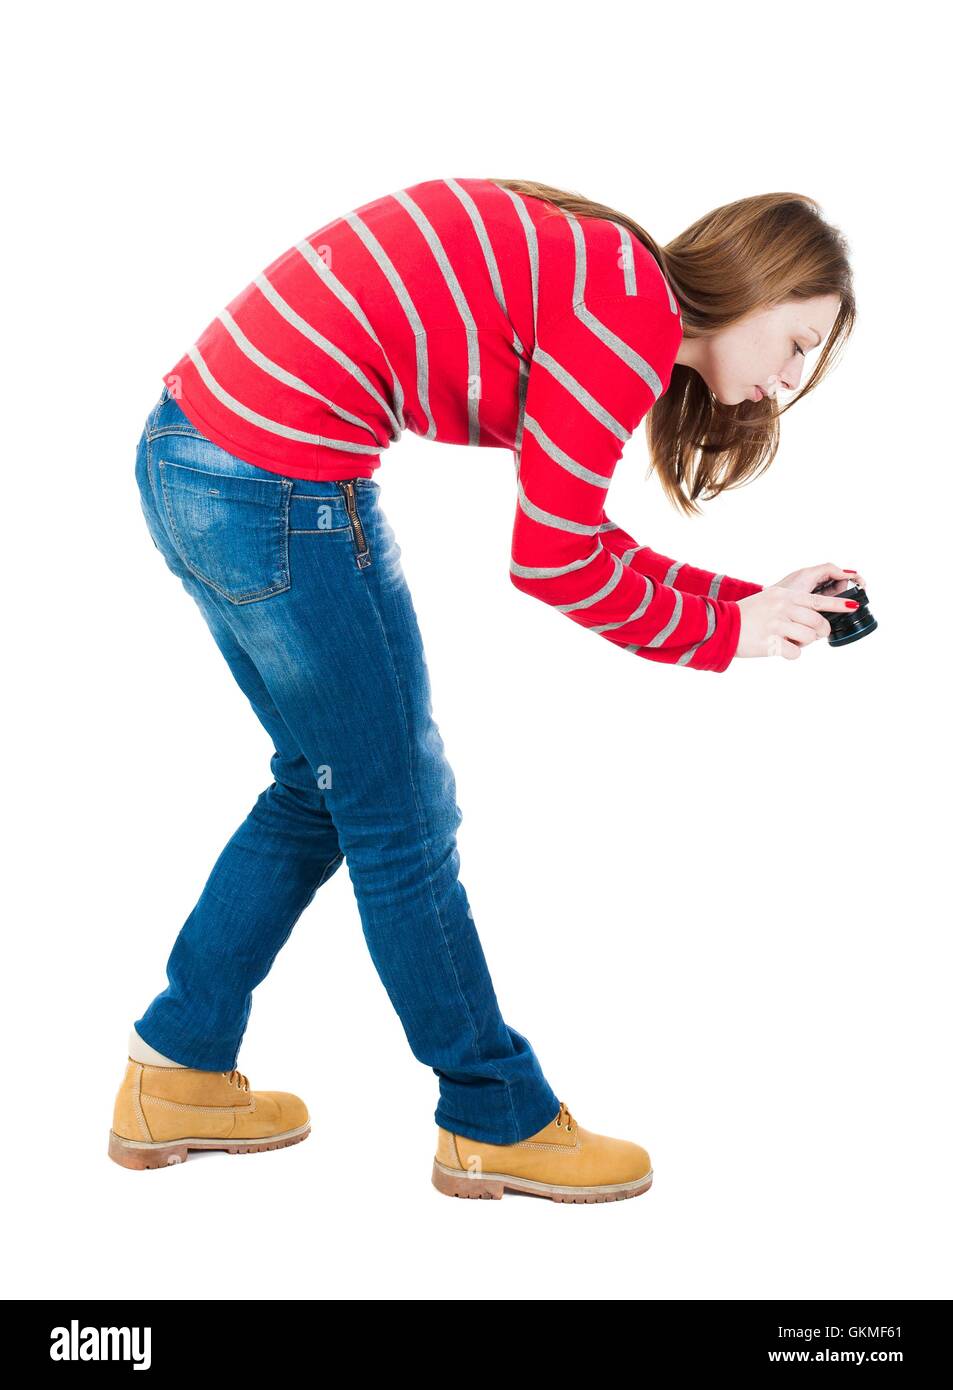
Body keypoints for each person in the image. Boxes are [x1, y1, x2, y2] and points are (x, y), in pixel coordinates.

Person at [109, 176, 863, 1198]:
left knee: (324, 786)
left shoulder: (613, 284)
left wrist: (743, 604)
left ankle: (180, 1069)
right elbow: (551, 563)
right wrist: (723, 634)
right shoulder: (628, 307)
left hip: (198, 457)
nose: (789, 379)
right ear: (755, 282)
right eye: (798, 341)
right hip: (271, 484)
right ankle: (492, 1114)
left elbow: (578, 536)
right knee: (401, 816)